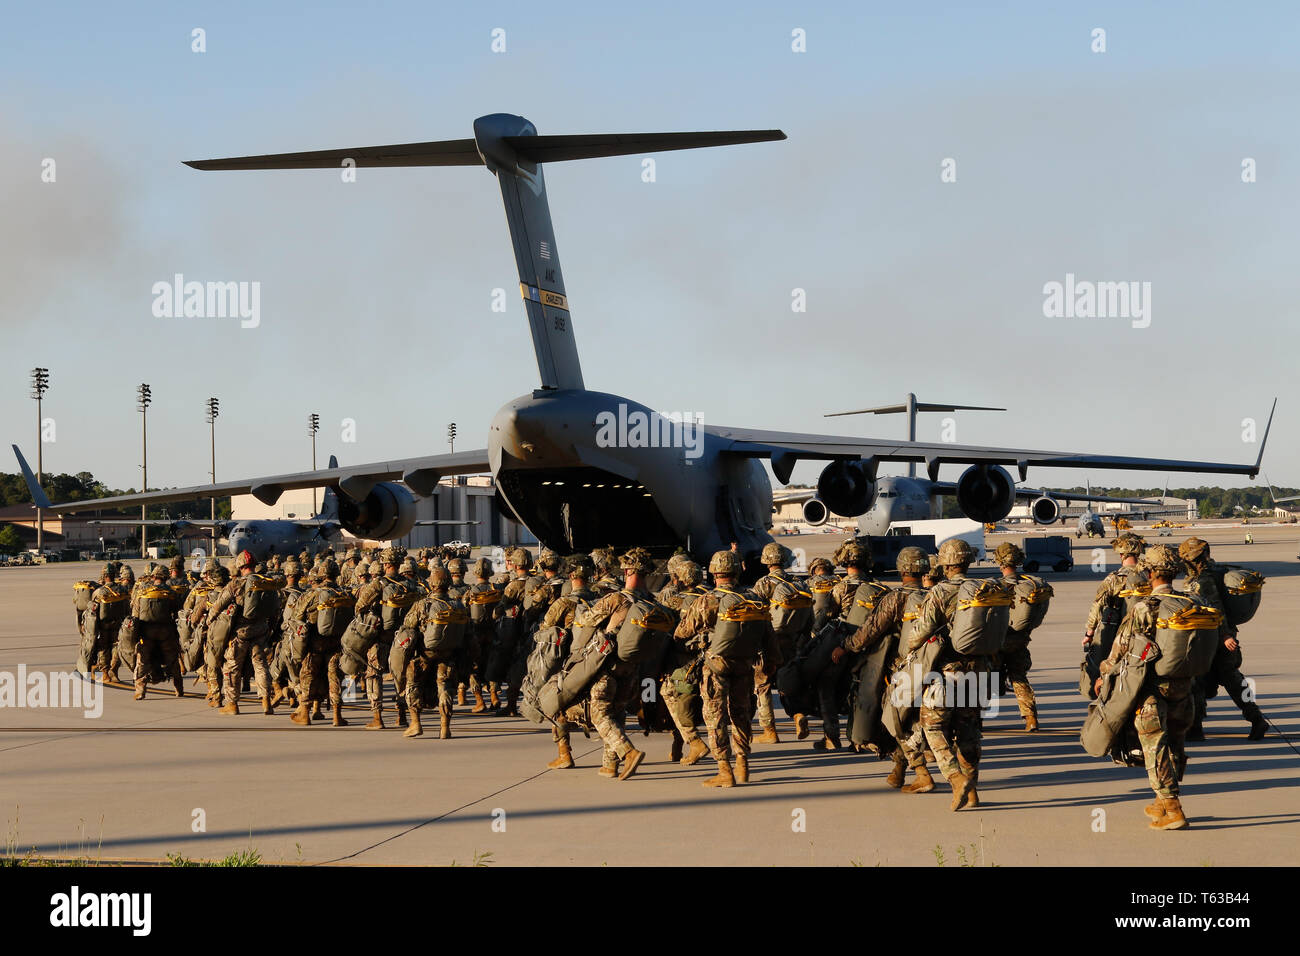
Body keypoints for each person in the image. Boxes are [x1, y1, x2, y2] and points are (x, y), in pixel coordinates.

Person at [1098, 544, 1204, 830]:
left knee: (1154, 749)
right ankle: (1161, 800)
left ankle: (1173, 809)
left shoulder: (1145, 607)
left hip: (1152, 693)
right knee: (1175, 747)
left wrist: (1103, 674)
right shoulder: (1192, 602)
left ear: (1151, 572)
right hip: (1185, 689)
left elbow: (1120, 650)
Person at [673, 550, 780, 787]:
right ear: (736, 572)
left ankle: (724, 770)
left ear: (713, 573)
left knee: (715, 716)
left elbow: (681, 632)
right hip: (744, 664)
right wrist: (771, 661)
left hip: (715, 666)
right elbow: (769, 635)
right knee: (740, 714)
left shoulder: (708, 601)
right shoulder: (754, 598)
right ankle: (743, 764)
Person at [831, 546, 933, 791]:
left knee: (895, 721)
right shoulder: (934, 595)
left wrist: (845, 646)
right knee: (909, 720)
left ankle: (922, 773)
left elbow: (870, 631)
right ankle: (898, 770)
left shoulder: (896, 598)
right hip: (932, 668)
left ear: (901, 569)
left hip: (902, 671)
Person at [910, 538, 998, 811]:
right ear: (967, 562)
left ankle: (955, 778)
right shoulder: (984, 590)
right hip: (981, 672)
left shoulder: (941, 591)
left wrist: (910, 645)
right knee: (969, 731)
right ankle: (973, 793)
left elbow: (920, 633)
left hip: (949, 673)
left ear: (945, 564)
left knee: (932, 725)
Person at [567, 548, 666, 780]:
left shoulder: (617, 598)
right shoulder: (653, 601)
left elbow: (586, 621)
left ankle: (628, 752)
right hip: (633, 669)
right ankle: (609, 764)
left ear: (628, 570)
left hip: (608, 667)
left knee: (599, 714)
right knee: (617, 713)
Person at [1179, 537, 1268, 741]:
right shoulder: (1215, 570)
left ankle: (1196, 727)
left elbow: (1215, 607)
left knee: (1200, 679)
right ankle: (1255, 719)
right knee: (1229, 679)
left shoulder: (1201, 580)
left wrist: (1224, 636)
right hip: (1220, 634)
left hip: (1212, 636)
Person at [207, 550, 281, 715]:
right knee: (261, 666)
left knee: (232, 666)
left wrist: (209, 620)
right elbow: (276, 610)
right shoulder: (266, 583)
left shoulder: (236, 584)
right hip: (261, 630)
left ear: (240, 567)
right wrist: (271, 629)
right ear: (254, 565)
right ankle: (266, 702)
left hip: (240, 633)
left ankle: (232, 704)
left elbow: (219, 604)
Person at [748, 541, 807, 744]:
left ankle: (769, 731)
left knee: (762, 684)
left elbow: (754, 611)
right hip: (792, 641)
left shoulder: (763, 583)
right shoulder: (797, 582)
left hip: (767, 642)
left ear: (766, 561)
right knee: (787, 682)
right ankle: (798, 715)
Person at [993, 542, 1053, 732]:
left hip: (996, 643)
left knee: (984, 680)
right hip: (1019, 641)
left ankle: (975, 721)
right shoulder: (1029, 586)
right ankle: (1031, 718)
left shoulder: (995, 586)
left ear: (1000, 563)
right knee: (1019, 679)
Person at [291, 558, 355, 727]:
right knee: (335, 677)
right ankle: (337, 715)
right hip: (336, 644)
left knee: (308, 675)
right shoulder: (345, 593)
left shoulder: (312, 594)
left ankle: (305, 713)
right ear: (336, 574)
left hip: (315, 644)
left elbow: (297, 617)